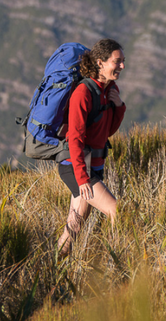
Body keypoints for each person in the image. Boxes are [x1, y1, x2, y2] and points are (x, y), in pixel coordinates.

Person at [57, 38, 126, 257]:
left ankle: (53, 268)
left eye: (123, 61)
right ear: (100, 62)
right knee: (118, 212)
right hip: (76, 166)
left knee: (74, 225)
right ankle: (117, 265)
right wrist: (82, 177)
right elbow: (75, 137)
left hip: (92, 166)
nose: (122, 66)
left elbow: (107, 132)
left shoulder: (108, 90)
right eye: (117, 61)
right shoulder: (83, 93)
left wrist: (119, 107)